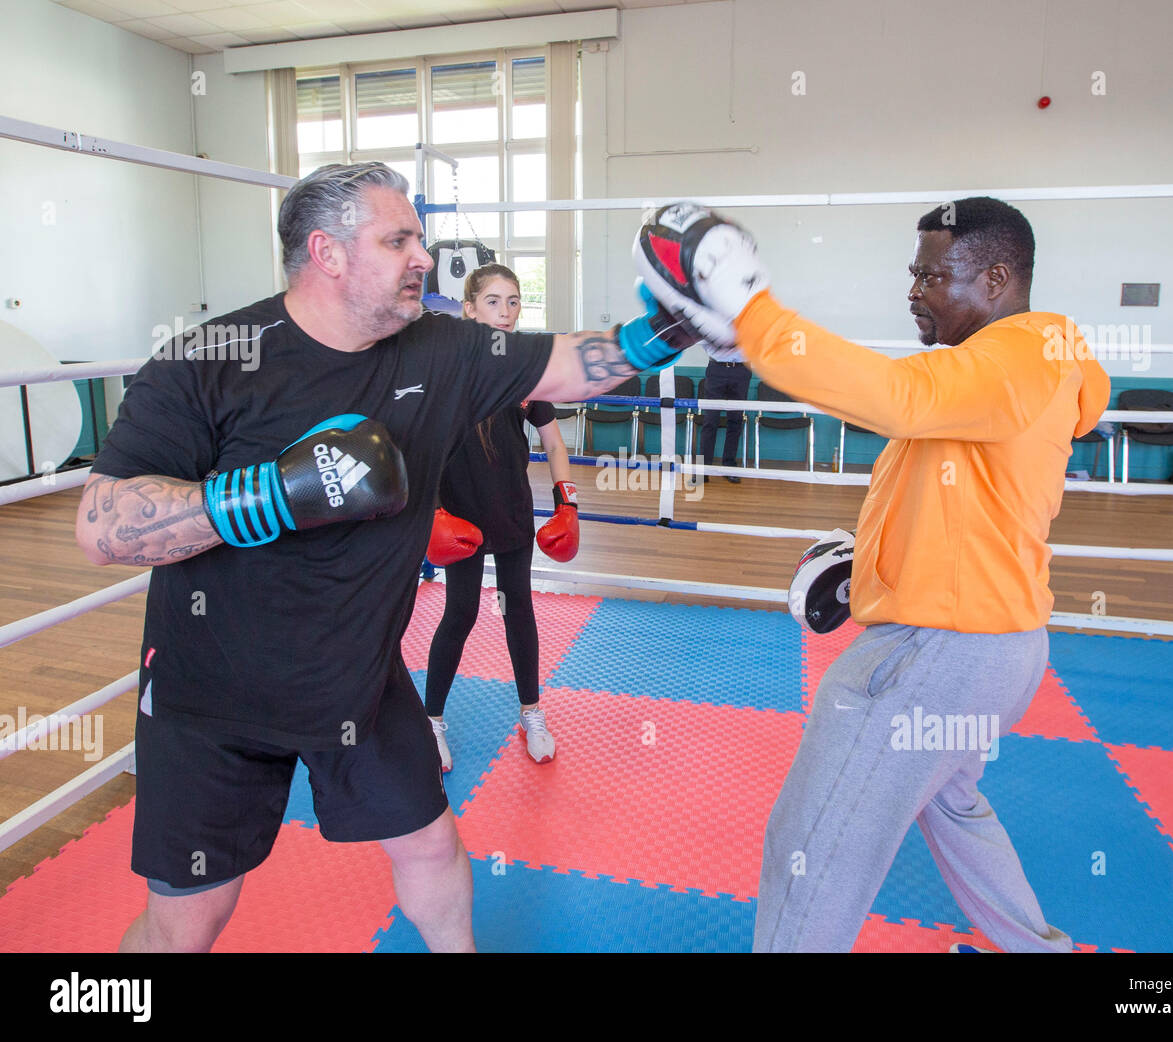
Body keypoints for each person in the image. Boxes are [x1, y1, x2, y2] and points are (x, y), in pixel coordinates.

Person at [74, 162, 699, 953]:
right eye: (398, 239)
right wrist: (274, 494)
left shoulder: (442, 347)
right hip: (211, 693)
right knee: (189, 917)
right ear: (326, 252)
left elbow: (568, 363)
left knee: (432, 843)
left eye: (420, 240)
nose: (424, 259)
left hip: (357, 678)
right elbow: (100, 528)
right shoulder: (210, 357)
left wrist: (673, 329)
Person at [635, 197, 1110, 953]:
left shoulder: (1019, 355)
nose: (915, 291)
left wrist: (752, 316)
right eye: (913, 273)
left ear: (995, 279)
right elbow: (958, 479)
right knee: (953, 807)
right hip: (998, 642)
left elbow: (895, 400)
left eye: (933, 276)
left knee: (812, 845)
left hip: (939, 652)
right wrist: (875, 559)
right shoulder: (1020, 365)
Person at [423, 263, 577, 769]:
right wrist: (433, 512)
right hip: (459, 516)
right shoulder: (445, 372)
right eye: (493, 301)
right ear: (468, 309)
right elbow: (415, 447)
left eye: (513, 301)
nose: (506, 312)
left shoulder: (527, 373)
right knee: (460, 613)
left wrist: (566, 502)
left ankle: (531, 712)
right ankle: (432, 720)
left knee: (518, 611)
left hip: (510, 512)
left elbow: (554, 444)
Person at [696, 354, 751, 483]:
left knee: (735, 420)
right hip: (716, 367)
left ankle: (729, 467)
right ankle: (702, 471)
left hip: (741, 369)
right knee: (710, 421)